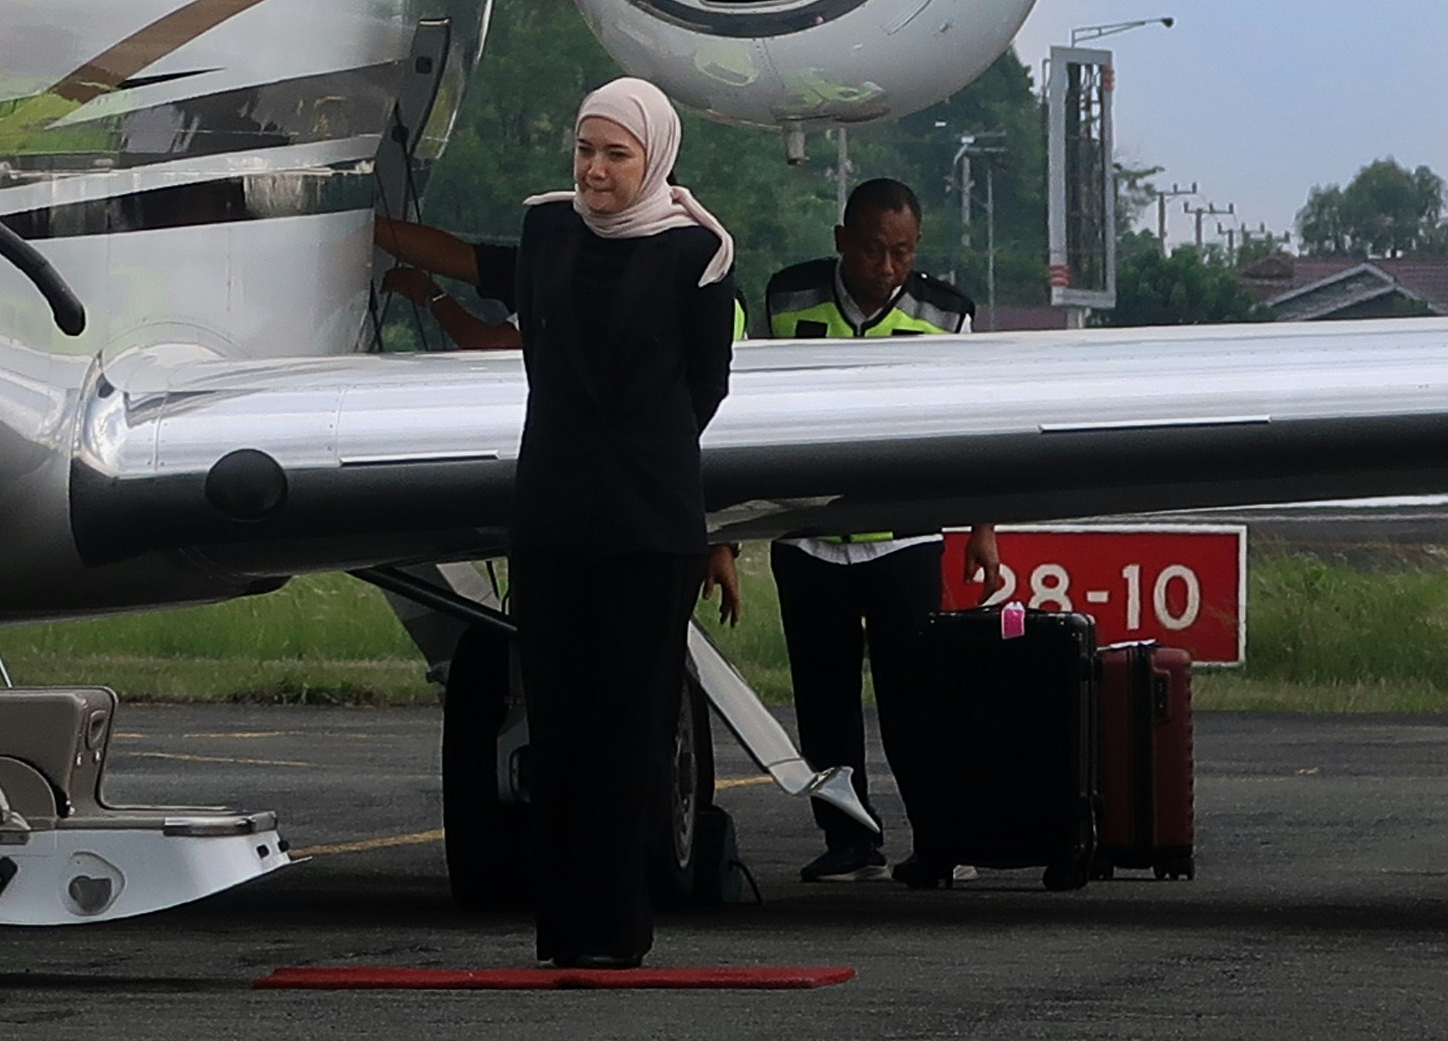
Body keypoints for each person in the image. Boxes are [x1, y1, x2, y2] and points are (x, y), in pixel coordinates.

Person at [375, 79, 737, 967]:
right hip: (552, 513)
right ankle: (564, 929)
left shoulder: (698, 253)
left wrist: (634, 453)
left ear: (654, 159)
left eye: (617, 155)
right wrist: (363, 228)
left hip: (649, 522)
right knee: (563, 727)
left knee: (632, 725)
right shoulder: (548, 230)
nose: (596, 170)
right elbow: (472, 264)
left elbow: (706, 387)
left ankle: (618, 929)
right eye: (585, 151)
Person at [745, 178, 1007, 881]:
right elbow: (748, 417)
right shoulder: (785, 298)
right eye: (870, 251)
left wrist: (982, 527)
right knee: (824, 705)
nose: (885, 269)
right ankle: (849, 837)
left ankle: (939, 843)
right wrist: (724, 536)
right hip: (809, 539)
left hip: (906, 538)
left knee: (917, 703)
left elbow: (977, 425)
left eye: (900, 253)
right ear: (840, 242)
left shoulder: (946, 314)